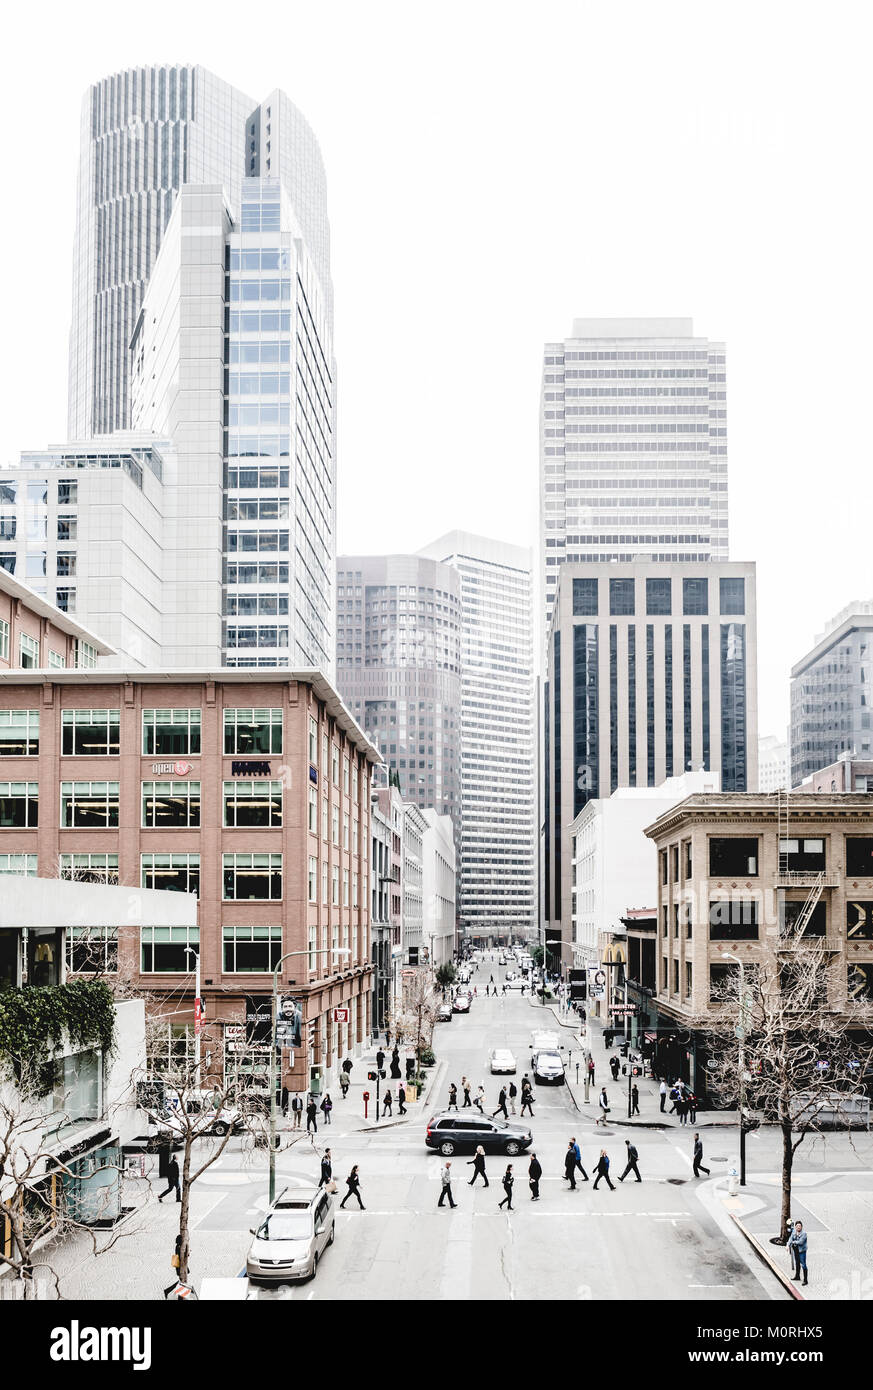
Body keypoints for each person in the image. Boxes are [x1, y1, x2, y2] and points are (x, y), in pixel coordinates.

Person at [788, 1221, 808, 1285]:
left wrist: (793, 1242)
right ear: (795, 1227)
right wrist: (788, 1245)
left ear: (802, 1227)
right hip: (796, 1250)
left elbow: (800, 1242)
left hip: (802, 1251)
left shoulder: (804, 1234)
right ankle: (797, 1276)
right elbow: (791, 1238)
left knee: (803, 1264)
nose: (798, 1227)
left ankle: (805, 1280)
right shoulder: (794, 1231)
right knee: (797, 1263)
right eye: (797, 1226)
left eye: (799, 1226)